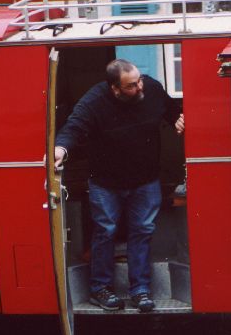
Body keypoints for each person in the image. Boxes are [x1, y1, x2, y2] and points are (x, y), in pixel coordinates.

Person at [54, 59, 184, 312]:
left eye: (140, 81)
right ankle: (100, 289)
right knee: (105, 231)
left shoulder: (152, 89)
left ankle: (141, 291)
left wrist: (179, 118)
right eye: (132, 86)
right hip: (106, 183)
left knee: (142, 231)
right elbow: (73, 128)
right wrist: (60, 148)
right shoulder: (93, 102)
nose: (140, 88)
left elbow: (170, 109)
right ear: (115, 88)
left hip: (145, 180)